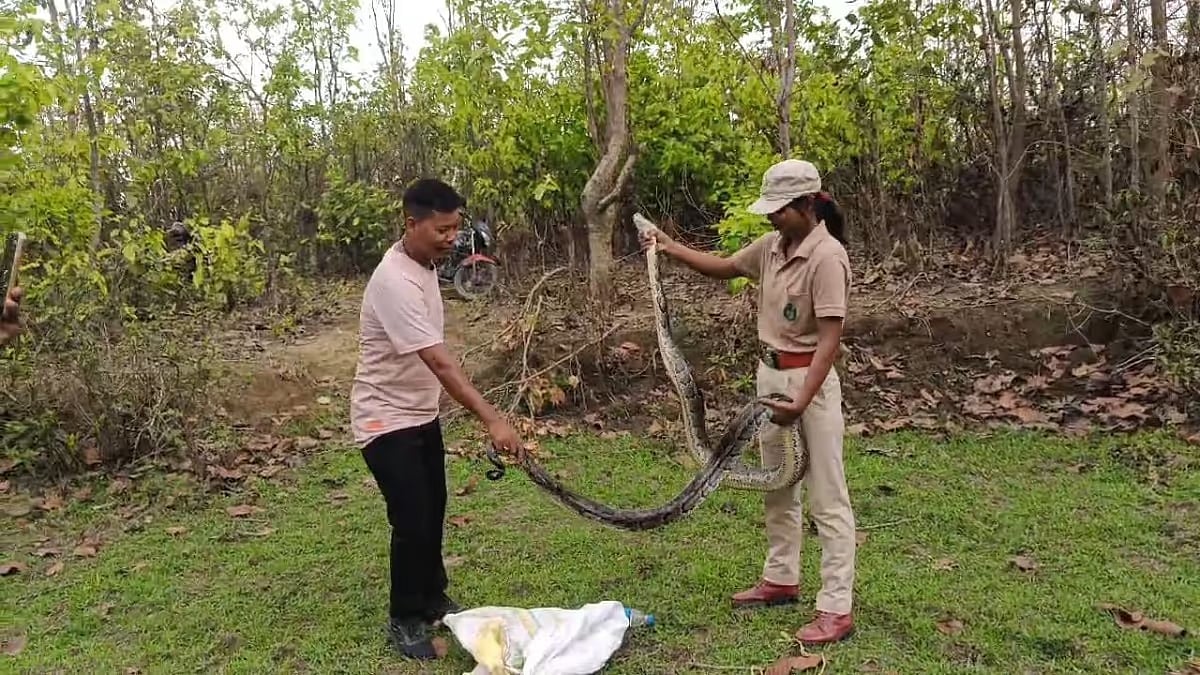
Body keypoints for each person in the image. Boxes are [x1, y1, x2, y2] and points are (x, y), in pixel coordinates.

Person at [639, 159, 857, 645]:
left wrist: (801, 400)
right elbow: (725, 267)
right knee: (777, 484)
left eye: (780, 209)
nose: (772, 217)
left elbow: (829, 341)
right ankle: (781, 578)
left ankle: (835, 608)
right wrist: (668, 247)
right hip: (769, 377)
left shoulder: (827, 257)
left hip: (808, 382)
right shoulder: (773, 246)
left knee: (827, 496)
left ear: (807, 204)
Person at [350, 177, 524, 660]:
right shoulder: (394, 281)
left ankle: (432, 597)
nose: (452, 238)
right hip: (384, 420)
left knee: (433, 508)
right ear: (412, 224)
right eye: (442, 230)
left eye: (455, 229)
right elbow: (441, 364)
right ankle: (405, 618)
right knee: (412, 519)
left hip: (418, 415)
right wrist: (492, 419)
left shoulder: (424, 265)